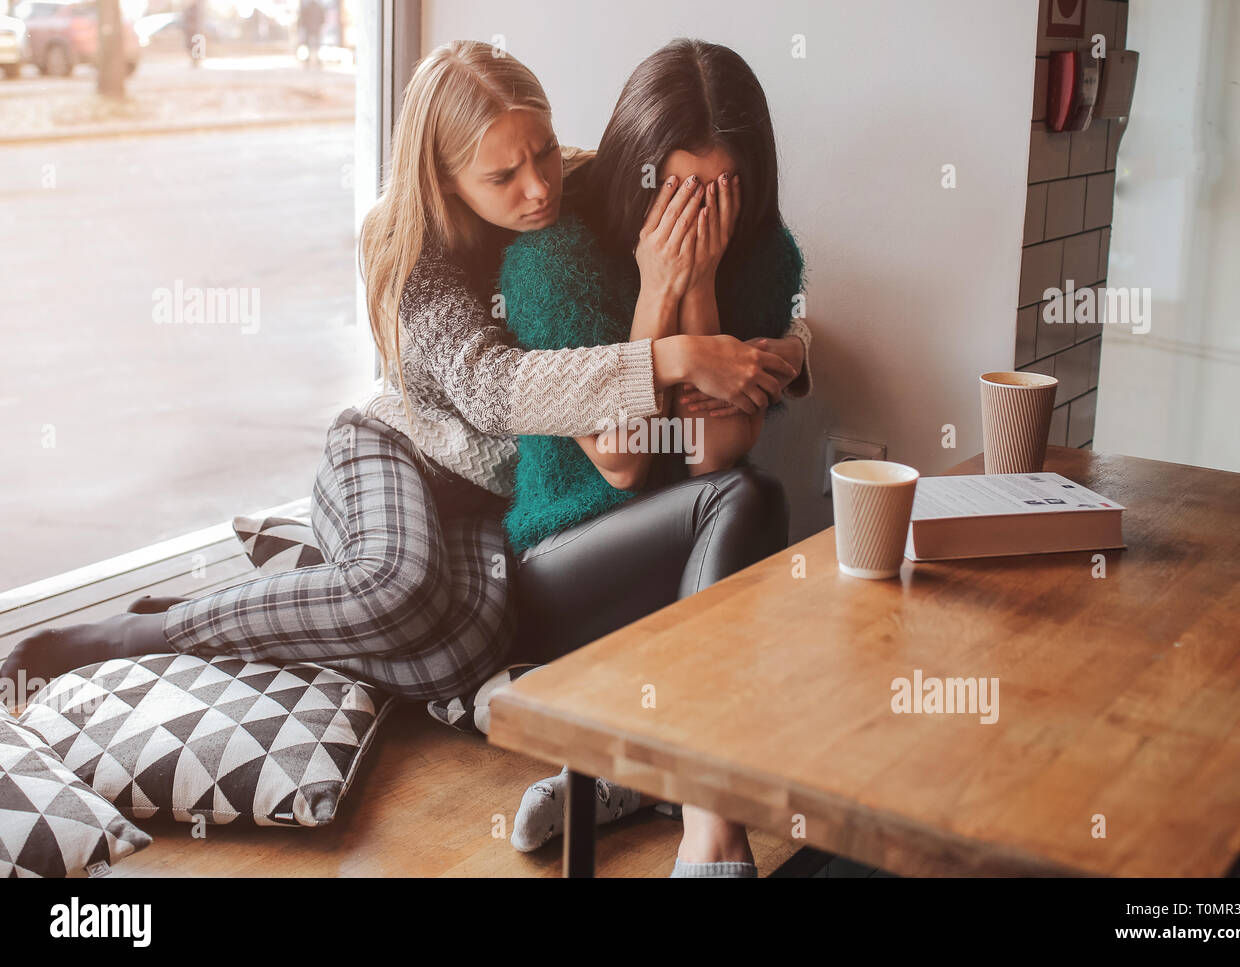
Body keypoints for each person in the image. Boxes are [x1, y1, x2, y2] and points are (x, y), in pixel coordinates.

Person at [1, 42, 803, 718]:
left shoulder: (587, 192)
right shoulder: (421, 262)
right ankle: (139, 631)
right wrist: (671, 357)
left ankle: (308, 590)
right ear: (445, 179)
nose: (538, 187)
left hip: (485, 501)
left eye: (545, 151)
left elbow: (745, 316)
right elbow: (494, 391)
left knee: (465, 652)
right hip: (395, 453)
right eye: (502, 175)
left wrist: (796, 348)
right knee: (397, 586)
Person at [500, 39, 811, 878]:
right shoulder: (553, 259)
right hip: (564, 564)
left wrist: (700, 283)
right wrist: (657, 290)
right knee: (746, 501)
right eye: (676, 191)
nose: (697, 216)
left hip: (686, 565)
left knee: (752, 492)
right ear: (636, 168)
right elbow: (623, 465)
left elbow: (712, 453)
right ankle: (712, 832)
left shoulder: (764, 255)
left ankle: (642, 776)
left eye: (719, 191)